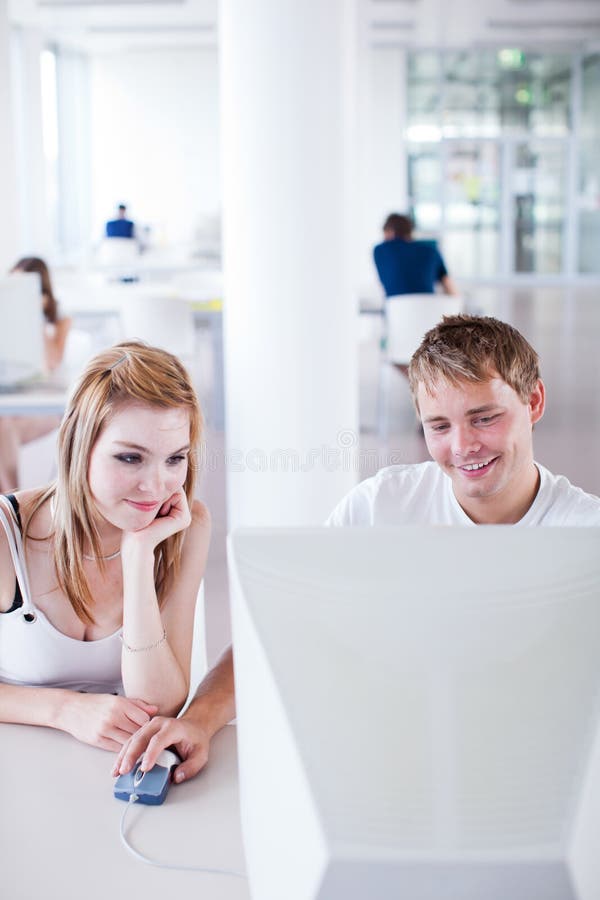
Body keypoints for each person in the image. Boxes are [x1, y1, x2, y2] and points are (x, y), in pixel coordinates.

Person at [0, 340, 225, 754]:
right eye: (129, 458)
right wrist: (64, 710)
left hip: (103, 777)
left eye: (175, 459)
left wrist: (139, 557)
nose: (156, 486)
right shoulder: (5, 534)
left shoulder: (184, 529)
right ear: (77, 446)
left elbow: (160, 705)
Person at [328, 314, 600, 527]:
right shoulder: (374, 510)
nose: (461, 446)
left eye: (484, 419)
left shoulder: (586, 531)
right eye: (440, 426)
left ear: (534, 401)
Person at [0, 257, 72, 491]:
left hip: (49, 405)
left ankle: (9, 500)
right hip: (16, 401)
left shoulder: (59, 319)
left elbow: (52, 360)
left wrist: (35, 317)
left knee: (4, 425)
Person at [373, 213, 458, 298]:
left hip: (396, 307)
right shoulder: (431, 251)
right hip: (429, 305)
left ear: (390, 231)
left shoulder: (379, 250)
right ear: (410, 231)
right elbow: (450, 288)